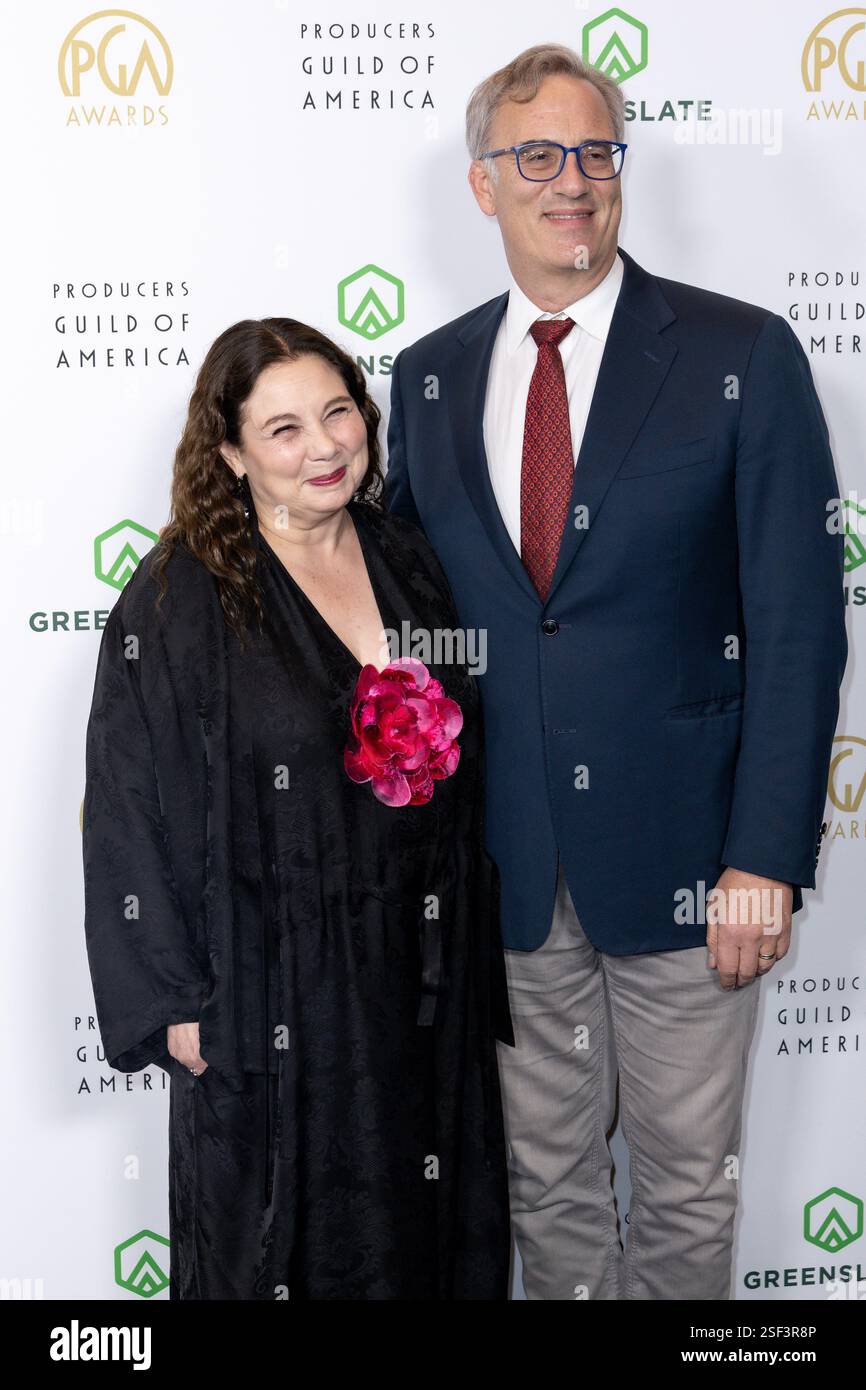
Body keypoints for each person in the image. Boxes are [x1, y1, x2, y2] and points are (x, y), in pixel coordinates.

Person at [384, 43, 848, 1300]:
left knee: (688, 1180)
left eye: (594, 152)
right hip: (506, 870)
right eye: (535, 155)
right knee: (542, 1180)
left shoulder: (738, 355)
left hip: (696, 868)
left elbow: (799, 625)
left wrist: (763, 857)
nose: (569, 181)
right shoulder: (424, 376)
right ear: (484, 185)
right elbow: (420, 629)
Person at [82, 317, 514, 1300]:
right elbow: (125, 813)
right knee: (278, 1244)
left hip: (414, 979)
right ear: (229, 452)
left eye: (337, 412)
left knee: (424, 1233)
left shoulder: (406, 555)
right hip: (263, 991)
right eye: (282, 429)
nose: (323, 446)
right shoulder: (179, 598)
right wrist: (176, 1006)